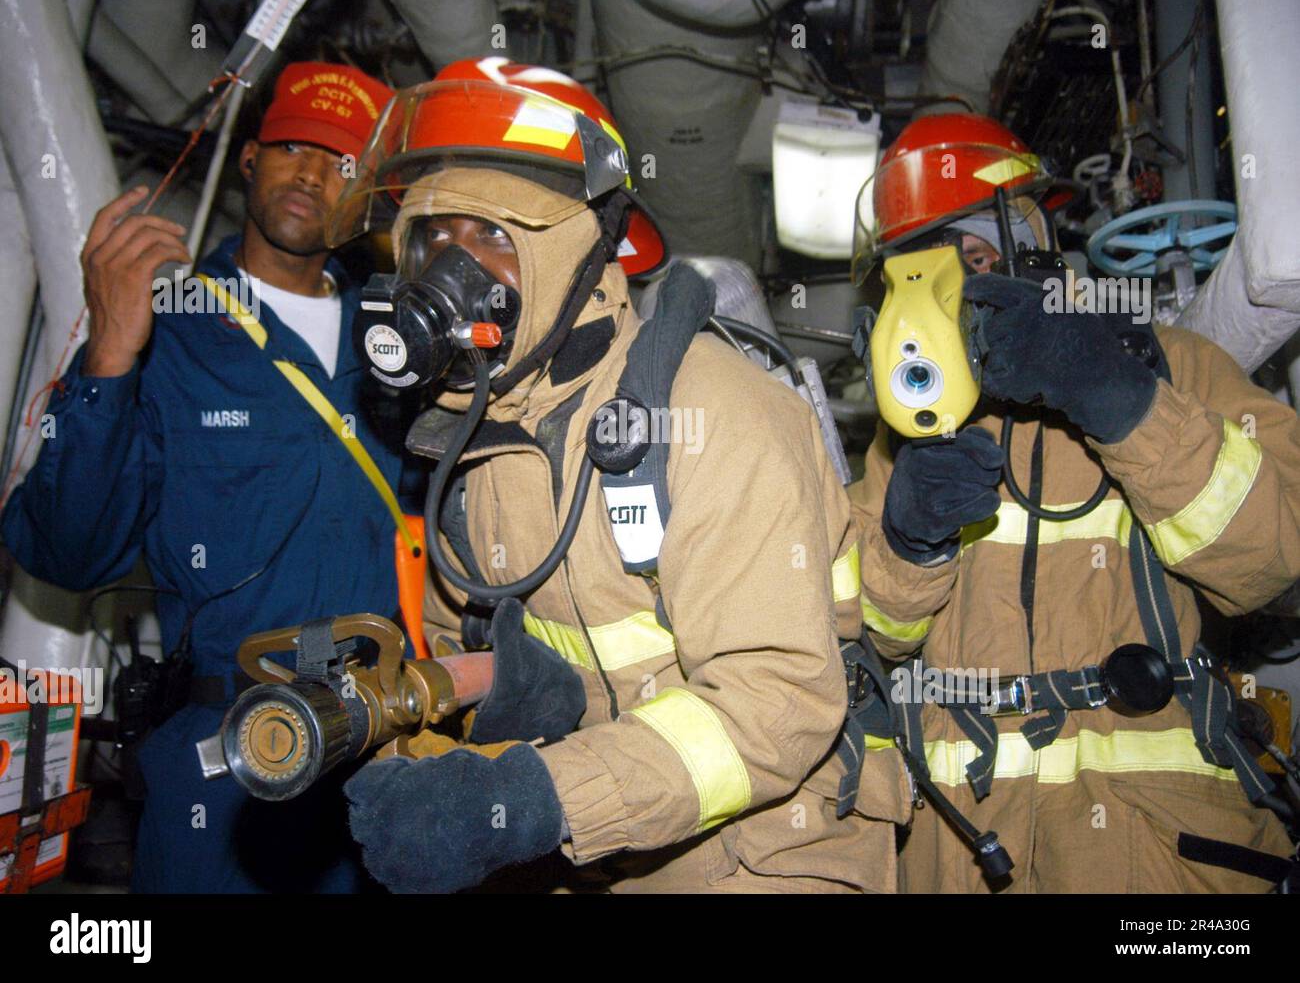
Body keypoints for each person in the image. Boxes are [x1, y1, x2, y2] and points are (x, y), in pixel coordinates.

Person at [336, 57, 911, 894]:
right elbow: (493, 650)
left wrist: (532, 799)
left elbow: (776, 701)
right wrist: (429, 727)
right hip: (599, 856)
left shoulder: (711, 411)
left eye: (493, 235)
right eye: (433, 240)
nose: (449, 277)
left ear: (581, 252)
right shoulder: (471, 447)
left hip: (765, 862)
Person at [849, 112, 1300, 892]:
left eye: (975, 248)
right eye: (923, 260)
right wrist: (908, 541)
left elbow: (1280, 555)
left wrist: (1122, 401)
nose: (957, 279)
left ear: (1029, 236)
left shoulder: (1170, 365)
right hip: (960, 844)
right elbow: (868, 638)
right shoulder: (907, 427)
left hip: (1149, 849)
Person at [1, 61, 405, 893]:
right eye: (292, 145)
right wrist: (111, 349)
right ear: (250, 158)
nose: (311, 173)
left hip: (385, 749)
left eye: (340, 161)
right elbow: (69, 554)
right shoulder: (169, 332)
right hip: (225, 762)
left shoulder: (398, 342)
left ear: (365, 192)